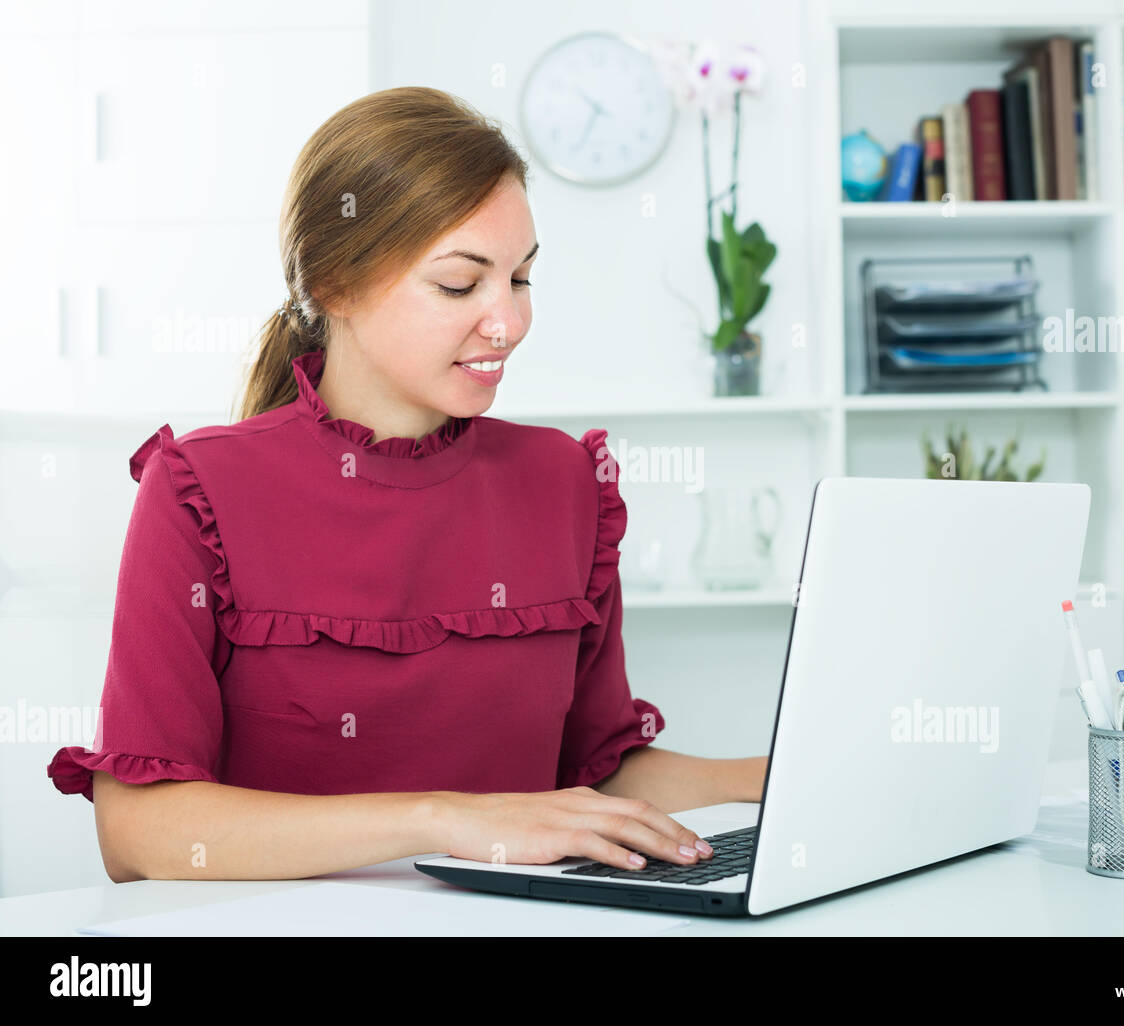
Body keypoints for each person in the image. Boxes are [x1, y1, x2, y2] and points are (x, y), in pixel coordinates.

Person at [47, 86, 767, 882]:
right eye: (462, 284)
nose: (510, 322)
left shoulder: (564, 480)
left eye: (521, 278)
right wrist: (442, 818)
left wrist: (768, 775)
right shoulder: (199, 488)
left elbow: (596, 774)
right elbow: (137, 833)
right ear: (334, 284)